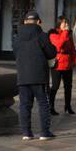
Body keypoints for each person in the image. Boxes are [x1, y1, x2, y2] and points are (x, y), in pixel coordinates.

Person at [13, 10, 57, 141]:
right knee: (43, 103)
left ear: (25, 21)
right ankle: (44, 132)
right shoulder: (42, 35)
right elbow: (51, 53)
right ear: (38, 22)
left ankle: (26, 132)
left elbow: (15, 53)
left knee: (24, 105)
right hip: (39, 76)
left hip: (23, 76)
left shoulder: (17, 37)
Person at [48, 16, 76, 114]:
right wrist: (65, 32)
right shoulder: (53, 34)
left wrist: (75, 59)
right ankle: (50, 106)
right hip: (58, 64)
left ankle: (68, 106)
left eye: (67, 22)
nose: (66, 24)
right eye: (64, 22)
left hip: (68, 63)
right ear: (59, 23)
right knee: (55, 86)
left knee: (68, 86)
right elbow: (58, 45)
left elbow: (72, 47)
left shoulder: (68, 34)